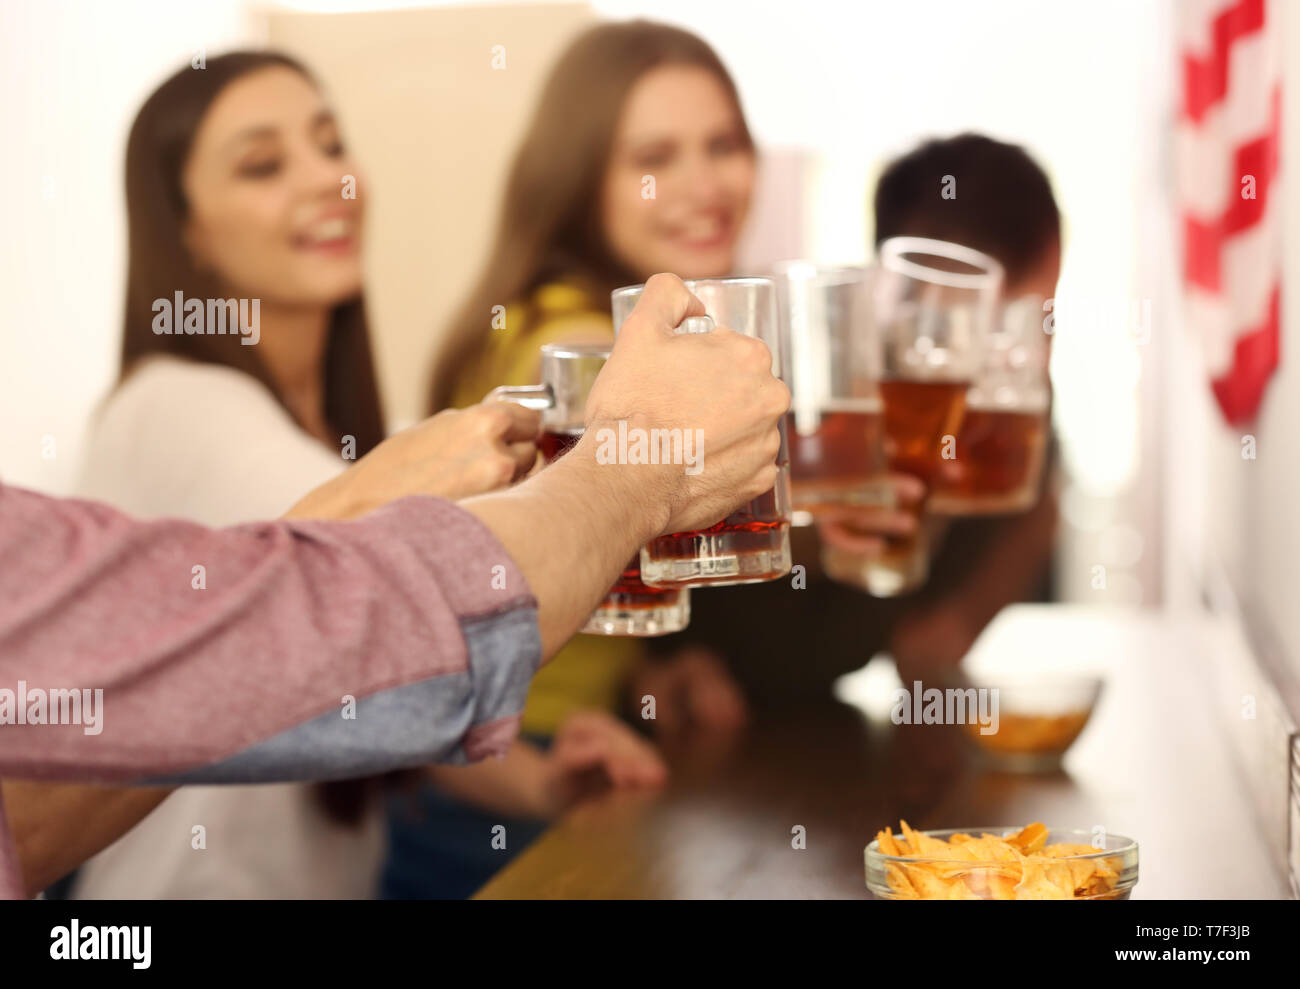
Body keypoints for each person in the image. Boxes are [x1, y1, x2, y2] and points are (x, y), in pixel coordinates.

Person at [10, 51, 674, 900]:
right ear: (187, 235)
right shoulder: (177, 406)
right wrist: (633, 477)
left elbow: (375, 672)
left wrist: (538, 784)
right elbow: (405, 591)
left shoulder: (323, 421)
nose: (328, 179)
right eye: (263, 164)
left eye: (331, 145)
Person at [387, 19, 756, 898]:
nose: (703, 185)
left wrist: (657, 665)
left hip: (503, 784)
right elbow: (426, 660)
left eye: (724, 145)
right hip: (507, 800)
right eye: (654, 156)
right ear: (581, 176)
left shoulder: (539, 312)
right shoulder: (588, 350)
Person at [663, 133, 1062, 706]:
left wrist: (951, 627)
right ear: (902, 291)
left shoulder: (1011, 431)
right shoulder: (797, 382)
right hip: (712, 711)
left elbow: (1040, 502)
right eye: (1003, 325)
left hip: (833, 723)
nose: (1026, 357)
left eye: (1042, 323)